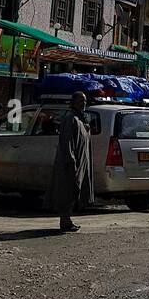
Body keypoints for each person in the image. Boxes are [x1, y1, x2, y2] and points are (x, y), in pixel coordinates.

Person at [48, 92, 93, 232]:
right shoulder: (70, 119)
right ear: (73, 102)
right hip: (70, 163)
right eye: (80, 101)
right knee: (67, 191)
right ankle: (65, 221)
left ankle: (67, 220)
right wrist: (71, 161)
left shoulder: (81, 119)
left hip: (79, 163)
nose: (83, 104)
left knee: (74, 191)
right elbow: (67, 143)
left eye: (84, 101)